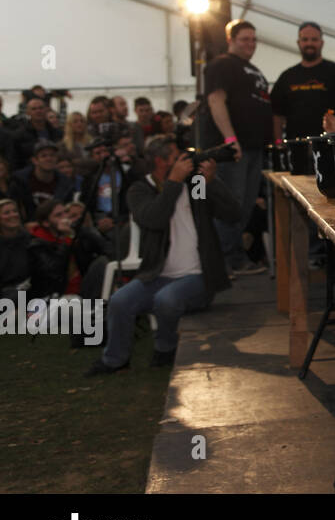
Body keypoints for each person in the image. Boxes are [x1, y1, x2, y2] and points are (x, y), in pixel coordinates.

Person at [86, 136, 239, 375]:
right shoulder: (140, 190)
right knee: (119, 301)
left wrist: (210, 184)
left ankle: (165, 349)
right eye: (176, 157)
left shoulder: (194, 185)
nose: (185, 161)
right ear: (160, 161)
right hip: (156, 274)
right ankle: (114, 360)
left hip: (198, 275)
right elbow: (154, 219)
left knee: (166, 300)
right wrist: (173, 182)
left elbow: (232, 214)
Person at [198, 19, 273, 278]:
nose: (250, 44)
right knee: (230, 204)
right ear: (230, 40)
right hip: (233, 149)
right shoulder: (221, 65)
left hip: (253, 148)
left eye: (253, 39)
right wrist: (230, 140)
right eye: (244, 39)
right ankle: (224, 261)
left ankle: (233, 258)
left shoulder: (251, 69)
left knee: (245, 204)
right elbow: (216, 100)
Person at [271, 21, 335, 141]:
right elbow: (277, 114)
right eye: (305, 39)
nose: (309, 43)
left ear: (321, 43)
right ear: (298, 43)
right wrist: (278, 142)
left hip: (330, 145)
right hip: (296, 146)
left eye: (314, 39)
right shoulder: (287, 76)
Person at [25, 199, 76, 298]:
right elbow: (55, 270)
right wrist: (67, 239)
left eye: (66, 212)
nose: (65, 218)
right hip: (50, 297)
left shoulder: (72, 235)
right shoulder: (36, 245)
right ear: (46, 223)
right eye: (58, 215)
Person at [13, 142, 77, 220]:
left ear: (56, 159)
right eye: (44, 156)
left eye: (52, 155)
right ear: (34, 160)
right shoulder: (19, 181)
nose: (49, 159)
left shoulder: (66, 183)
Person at [11, 96, 62, 167]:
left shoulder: (58, 133)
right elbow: (14, 159)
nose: (38, 111)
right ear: (28, 112)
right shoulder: (18, 135)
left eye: (41, 108)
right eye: (34, 109)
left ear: (46, 110)